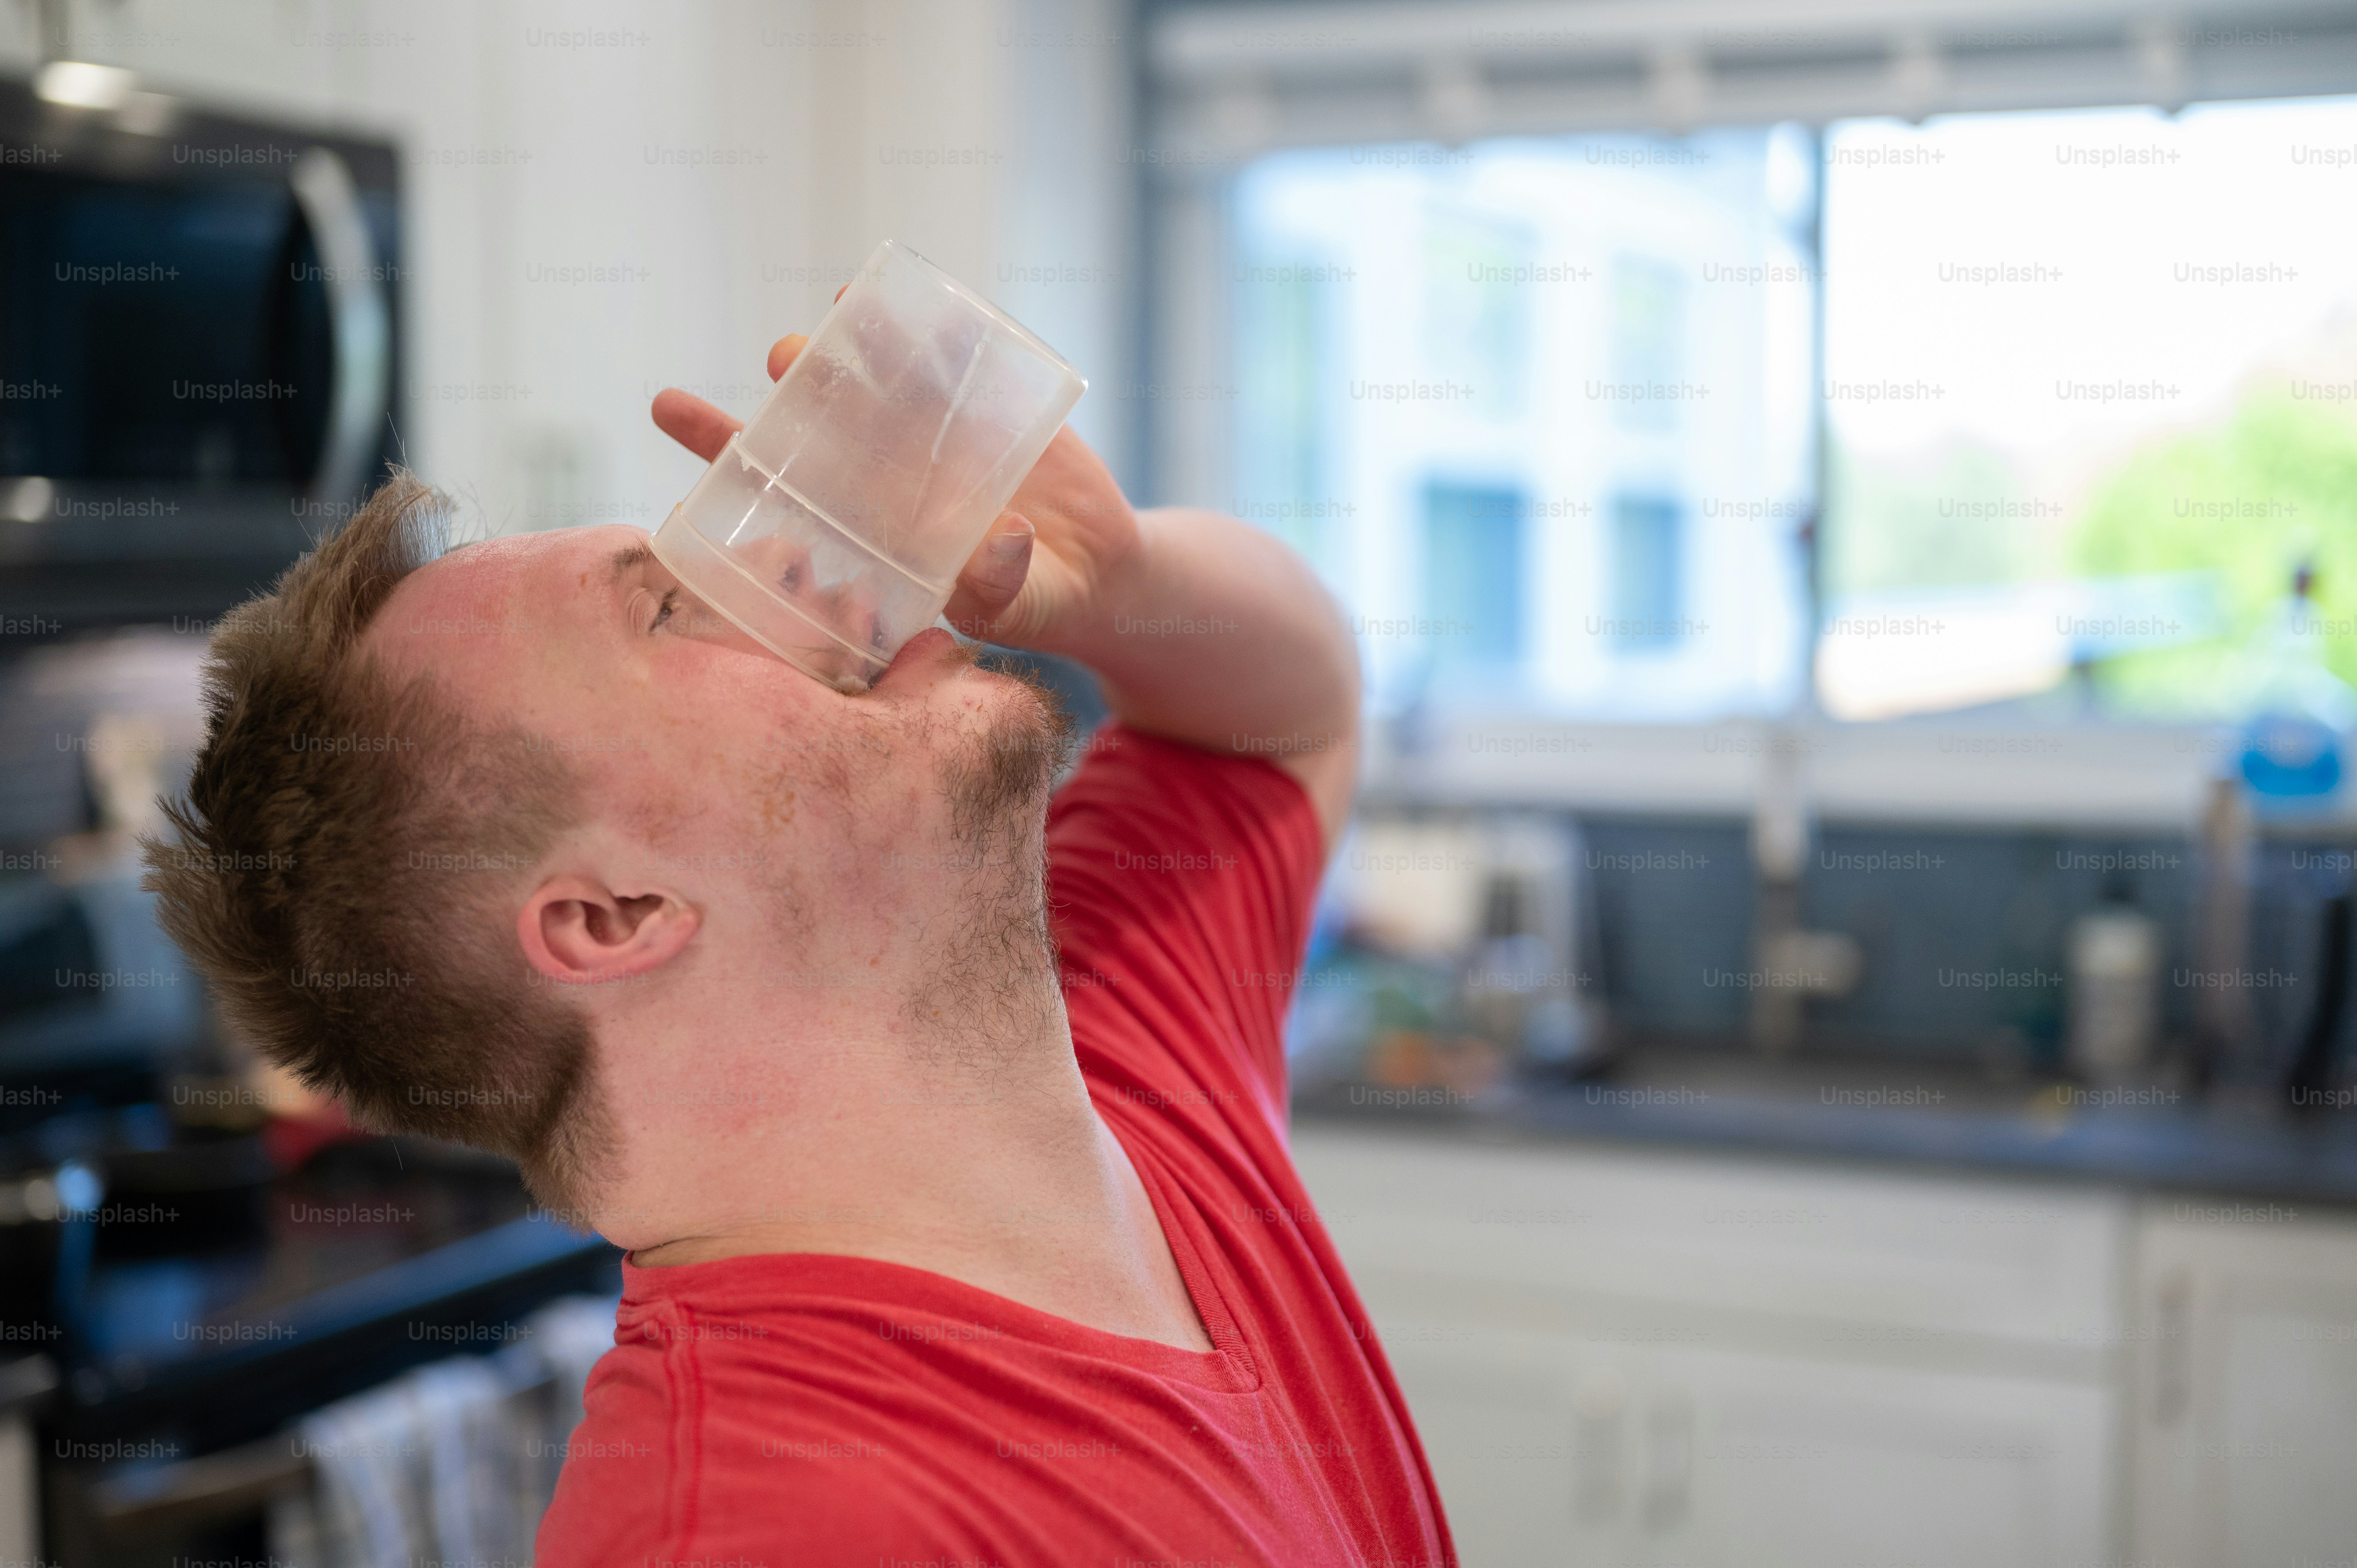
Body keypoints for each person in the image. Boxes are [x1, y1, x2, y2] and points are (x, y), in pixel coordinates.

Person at [145, 327, 1452, 1565]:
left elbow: (1285, 714)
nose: (789, 569)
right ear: (614, 918)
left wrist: (1120, 584)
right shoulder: (759, 1526)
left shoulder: (1101, 1035)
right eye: (669, 611)